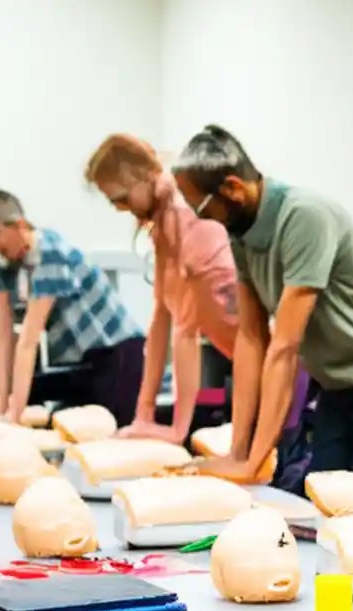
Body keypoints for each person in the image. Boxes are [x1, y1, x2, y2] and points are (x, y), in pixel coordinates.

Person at [171, 125, 353, 493]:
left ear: (232, 188)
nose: (200, 218)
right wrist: (237, 454)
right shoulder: (241, 233)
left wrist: (253, 464)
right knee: (319, 492)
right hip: (339, 379)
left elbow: (285, 347)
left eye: (199, 206)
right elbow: (250, 337)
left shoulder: (303, 216)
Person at [85, 133, 238, 444]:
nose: (119, 209)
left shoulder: (187, 215)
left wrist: (178, 430)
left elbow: (186, 329)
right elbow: (160, 319)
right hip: (240, 357)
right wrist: (144, 413)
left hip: (271, 360)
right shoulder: (161, 219)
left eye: (122, 199)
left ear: (142, 176)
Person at [0, 189, 145, 426]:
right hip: (85, 362)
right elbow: (3, 337)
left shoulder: (49, 251)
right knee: (42, 407)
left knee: (110, 432)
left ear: (18, 225)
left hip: (119, 353)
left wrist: (14, 416)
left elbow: (28, 341)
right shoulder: (7, 265)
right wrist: (4, 402)